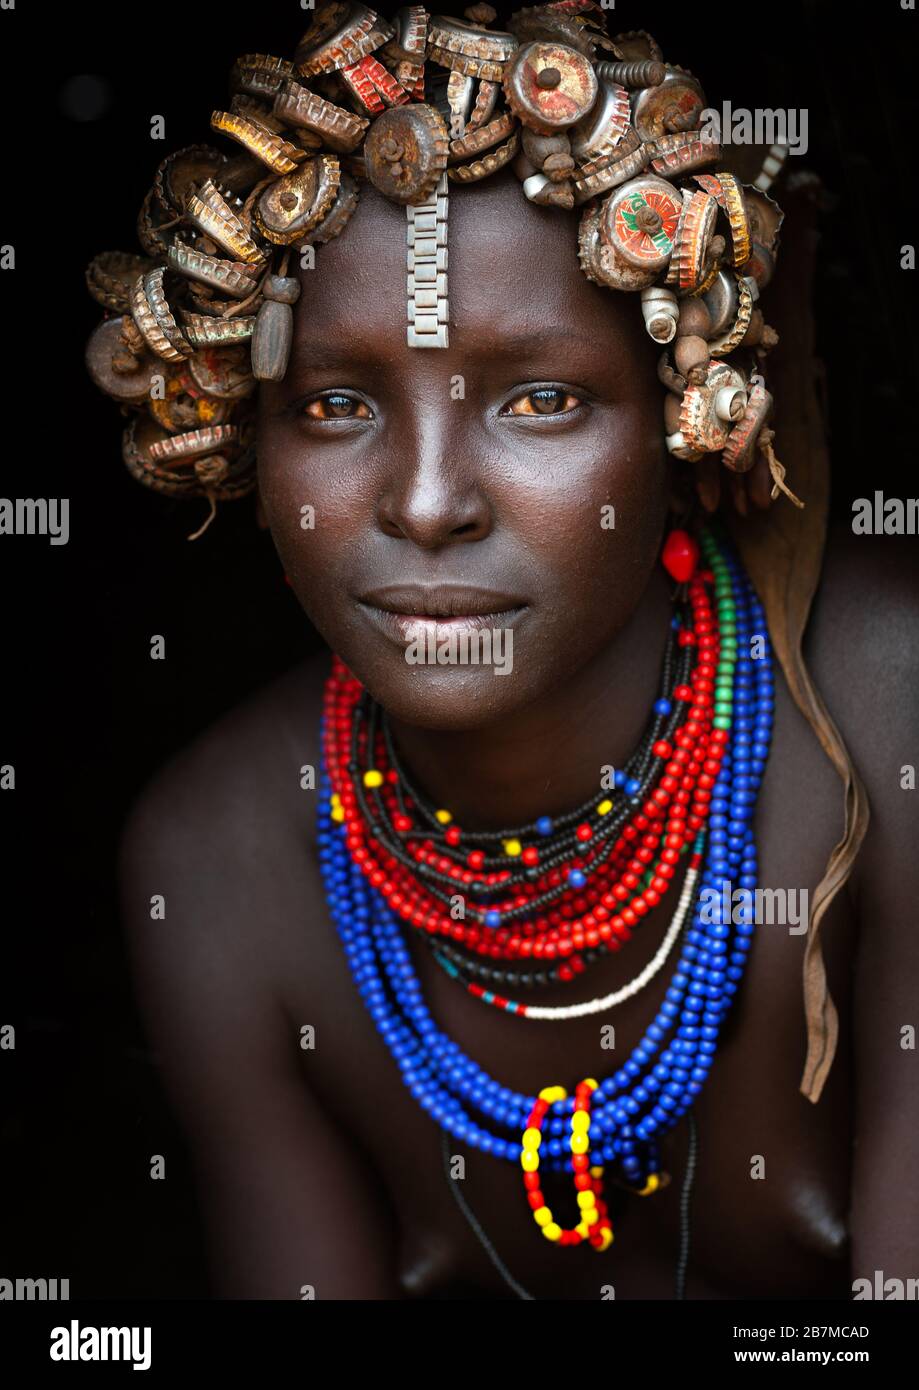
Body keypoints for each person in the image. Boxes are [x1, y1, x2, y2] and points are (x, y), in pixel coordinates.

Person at [106, 10, 918, 1300]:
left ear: (683, 419)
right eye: (335, 405)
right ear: (238, 445)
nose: (428, 505)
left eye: (541, 399)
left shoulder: (888, 712)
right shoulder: (217, 858)